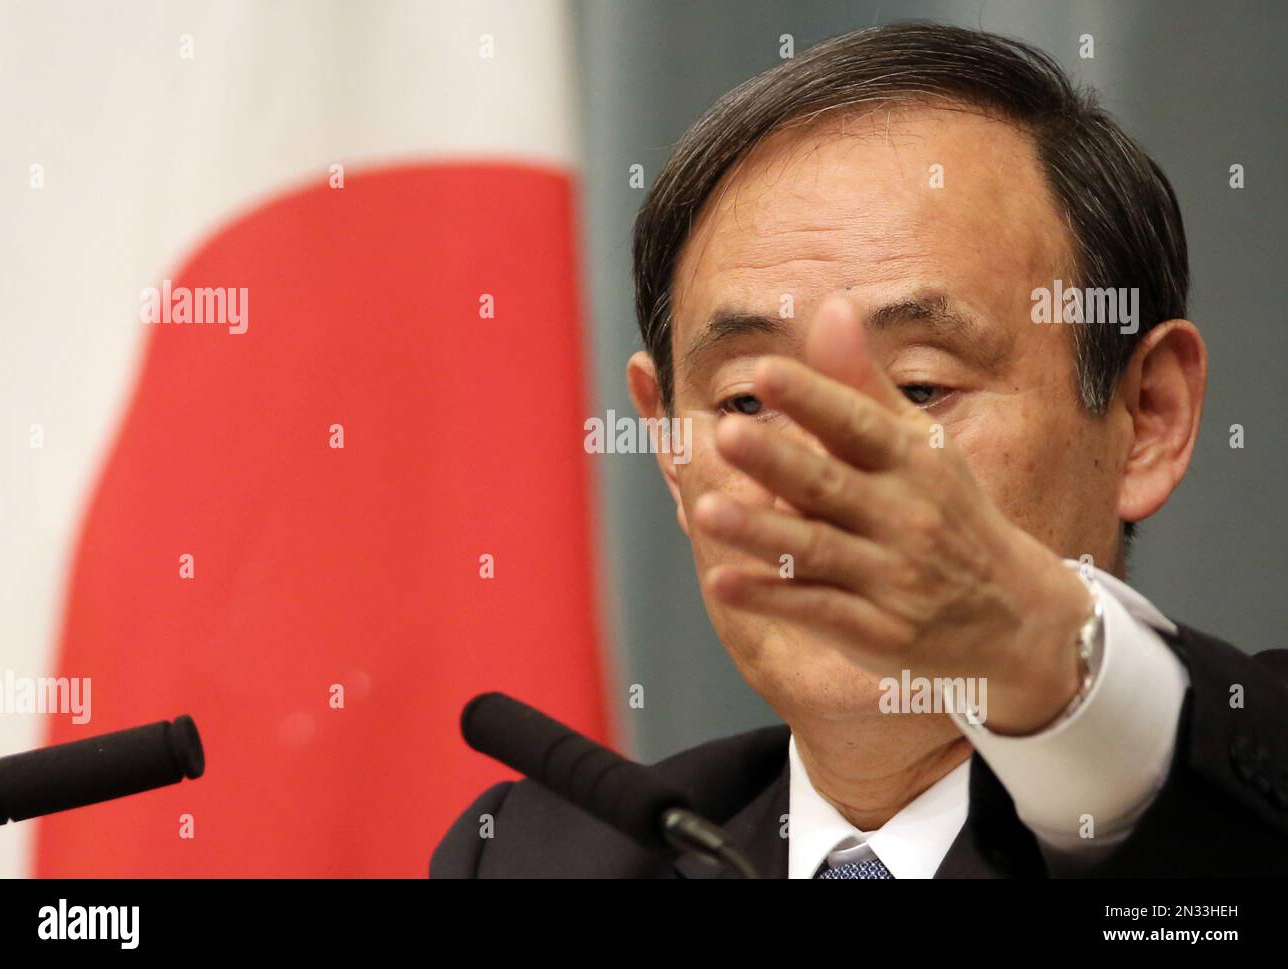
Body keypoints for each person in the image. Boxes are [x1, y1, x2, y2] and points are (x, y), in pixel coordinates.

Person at [432, 22, 1288, 878]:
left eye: (917, 389)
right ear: (667, 445)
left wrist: (1046, 664)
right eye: (749, 400)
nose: (821, 474)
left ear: (1148, 416)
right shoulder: (539, 855)